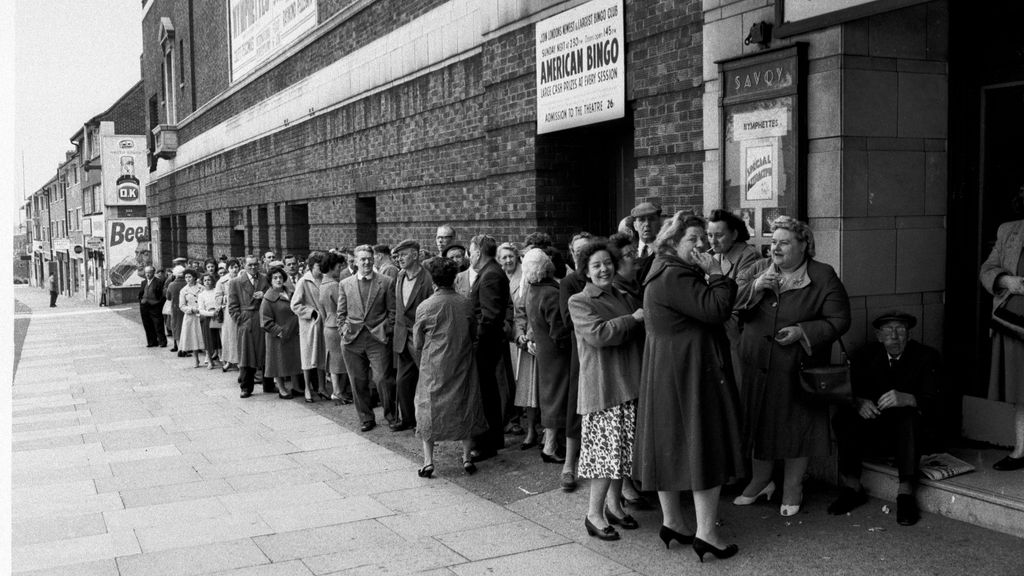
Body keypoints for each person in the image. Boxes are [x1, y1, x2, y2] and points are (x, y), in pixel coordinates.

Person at [633, 212, 744, 562]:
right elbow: (716, 309)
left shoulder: (661, 269)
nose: (702, 245)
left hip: (669, 369)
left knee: (670, 444)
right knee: (703, 445)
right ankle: (707, 533)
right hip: (690, 371)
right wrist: (715, 272)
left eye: (703, 238)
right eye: (693, 239)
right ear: (672, 242)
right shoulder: (676, 274)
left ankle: (674, 522)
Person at [734, 216, 851, 517]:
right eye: (773, 242)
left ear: (804, 245)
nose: (775, 248)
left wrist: (803, 332)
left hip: (796, 367)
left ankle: (792, 486)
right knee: (759, 422)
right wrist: (756, 287)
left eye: (784, 242)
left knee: (797, 426)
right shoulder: (758, 269)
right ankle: (760, 481)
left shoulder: (822, 274)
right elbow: (730, 302)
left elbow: (840, 320)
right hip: (757, 364)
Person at [829, 311, 943, 526]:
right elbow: (848, 392)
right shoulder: (865, 355)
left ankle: (905, 494)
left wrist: (909, 398)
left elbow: (939, 400)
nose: (894, 336)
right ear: (878, 336)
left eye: (900, 330)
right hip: (877, 432)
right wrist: (859, 402)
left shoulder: (926, 356)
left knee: (909, 417)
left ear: (909, 335)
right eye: (888, 331)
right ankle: (852, 487)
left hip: (914, 435)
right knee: (844, 417)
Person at [568, 239, 646, 542]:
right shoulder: (581, 301)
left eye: (607, 263)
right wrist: (633, 319)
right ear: (586, 271)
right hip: (603, 389)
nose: (603, 269)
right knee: (604, 457)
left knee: (620, 454)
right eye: (596, 265)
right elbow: (600, 335)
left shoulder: (622, 294)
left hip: (627, 384)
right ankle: (593, 514)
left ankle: (614, 506)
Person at [412, 257, 489, 477]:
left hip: (434, 365)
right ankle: (466, 457)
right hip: (462, 362)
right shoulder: (465, 303)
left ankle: (428, 461)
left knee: (427, 407)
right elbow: (473, 333)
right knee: (465, 404)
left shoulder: (426, 306)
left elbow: (417, 342)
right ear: (454, 278)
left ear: (433, 279)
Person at [979, 184, 1024, 471]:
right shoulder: (1008, 230)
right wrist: (1007, 281)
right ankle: (1021, 449)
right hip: (1014, 324)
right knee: (1022, 389)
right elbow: (987, 269)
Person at [338, 244, 397, 431]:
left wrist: (385, 330)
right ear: (355, 261)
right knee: (358, 380)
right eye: (362, 259)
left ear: (374, 259)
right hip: (352, 340)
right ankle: (366, 417)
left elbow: (393, 312)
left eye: (369, 258)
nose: (366, 262)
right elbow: (340, 313)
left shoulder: (385, 282)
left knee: (382, 379)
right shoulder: (345, 284)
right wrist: (343, 329)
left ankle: (391, 415)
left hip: (377, 339)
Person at [523, 248, 572, 471]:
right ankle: (550, 447)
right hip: (557, 354)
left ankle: (550, 443)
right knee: (557, 397)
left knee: (550, 396)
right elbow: (559, 330)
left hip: (545, 351)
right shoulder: (551, 293)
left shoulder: (533, 290)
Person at [707, 208, 763, 387]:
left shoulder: (748, 255)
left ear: (734, 234)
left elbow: (738, 294)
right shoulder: (715, 256)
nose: (713, 241)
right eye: (709, 235)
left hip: (740, 332)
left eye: (719, 235)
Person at [469, 234, 512, 460]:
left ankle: (487, 443)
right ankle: (491, 440)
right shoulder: (490, 272)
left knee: (486, 394)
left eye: (471, 251)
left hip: (485, 345)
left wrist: (476, 342)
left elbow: (490, 317)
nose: (469, 256)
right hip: (486, 343)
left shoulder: (490, 276)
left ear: (478, 252)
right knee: (488, 393)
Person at [557, 233, 594, 492]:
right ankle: (569, 464)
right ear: (571, 253)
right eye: (577, 252)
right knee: (575, 405)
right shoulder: (570, 282)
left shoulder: (603, 275)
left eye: (586, 251)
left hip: (605, 349)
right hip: (580, 351)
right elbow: (568, 320)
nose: (582, 256)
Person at [392, 240, 434, 432]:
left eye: (403, 255)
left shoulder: (427, 278)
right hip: (402, 336)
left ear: (415, 255)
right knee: (403, 381)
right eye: (398, 256)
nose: (399, 259)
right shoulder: (400, 276)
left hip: (421, 336)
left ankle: (430, 421)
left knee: (427, 379)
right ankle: (407, 418)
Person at [229, 256, 271, 398]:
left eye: (255, 264)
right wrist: (240, 320)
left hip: (263, 319)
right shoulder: (236, 282)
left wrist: (264, 295)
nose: (253, 267)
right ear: (244, 265)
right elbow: (232, 306)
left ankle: (269, 384)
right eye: (250, 265)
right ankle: (246, 387)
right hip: (247, 321)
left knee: (266, 352)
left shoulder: (265, 279)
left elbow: (273, 294)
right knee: (246, 355)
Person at [292, 251, 328, 403]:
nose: (322, 269)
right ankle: (307, 387)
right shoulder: (303, 281)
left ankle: (322, 387)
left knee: (322, 355)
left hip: (324, 322)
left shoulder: (326, 279)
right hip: (309, 324)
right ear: (312, 266)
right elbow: (294, 304)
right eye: (319, 266)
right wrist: (310, 312)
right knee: (307, 356)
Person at [262, 266, 302, 399]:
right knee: (278, 362)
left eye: (280, 277)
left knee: (294, 359)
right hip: (278, 336)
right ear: (270, 280)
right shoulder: (268, 298)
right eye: (275, 278)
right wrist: (280, 332)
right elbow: (265, 321)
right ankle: (282, 388)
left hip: (293, 333)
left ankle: (296, 386)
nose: (278, 280)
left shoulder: (291, 292)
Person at [319, 252, 353, 404]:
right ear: (332, 267)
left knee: (333, 360)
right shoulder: (334, 285)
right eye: (339, 266)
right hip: (337, 325)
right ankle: (338, 391)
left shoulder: (323, 284)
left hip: (328, 324)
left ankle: (336, 391)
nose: (341, 269)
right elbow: (343, 307)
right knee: (340, 360)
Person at [216, 259, 241, 372]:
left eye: (236, 267)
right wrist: (227, 298)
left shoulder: (243, 278)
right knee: (229, 336)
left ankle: (241, 361)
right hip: (229, 311)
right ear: (228, 269)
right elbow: (217, 298)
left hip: (241, 309)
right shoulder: (222, 281)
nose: (235, 270)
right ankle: (230, 360)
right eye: (232, 267)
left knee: (240, 335)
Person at [178, 269, 206, 368]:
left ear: (194, 277)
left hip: (202, 314)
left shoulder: (201, 288)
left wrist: (201, 309)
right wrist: (191, 309)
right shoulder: (183, 290)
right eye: (186, 277)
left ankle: (209, 358)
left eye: (190, 277)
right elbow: (181, 305)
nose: (188, 279)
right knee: (193, 337)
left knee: (204, 335)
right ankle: (196, 359)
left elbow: (206, 298)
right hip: (191, 316)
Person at [631, 201, 663, 287]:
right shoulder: (629, 250)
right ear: (635, 225)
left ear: (659, 223)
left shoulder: (666, 251)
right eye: (641, 220)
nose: (647, 224)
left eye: (651, 219)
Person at [138, 266, 167, 347]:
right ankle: (152, 342)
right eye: (146, 272)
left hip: (155, 306)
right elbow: (140, 294)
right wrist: (141, 302)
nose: (147, 274)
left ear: (153, 272)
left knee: (158, 324)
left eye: (149, 272)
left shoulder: (159, 282)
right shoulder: (143, 282)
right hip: (144, 306)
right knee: (147, 324)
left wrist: (159, 304)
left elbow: (162, 295)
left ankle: (162, 341)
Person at [198, 273, 222, 369]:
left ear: (212, 281)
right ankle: (210, 361)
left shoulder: (216, 291)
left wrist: (217, 310)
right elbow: (201, 309)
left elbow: (220, 302)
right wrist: (211, 313)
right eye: (205, 280)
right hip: (207, 319)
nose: (207, 282)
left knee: (219, 338)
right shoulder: (201, 295)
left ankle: (222, 358)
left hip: (218, 317)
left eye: (209, 280)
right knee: (209, 339)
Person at [165, 266, 187, 354]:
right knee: (185, 327)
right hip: (185, 308)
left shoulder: (171, 285)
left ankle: (179, 348)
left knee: (176, 327)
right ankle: (185, 348)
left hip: (175, 308)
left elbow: (168, 297)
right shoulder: (186, 284)